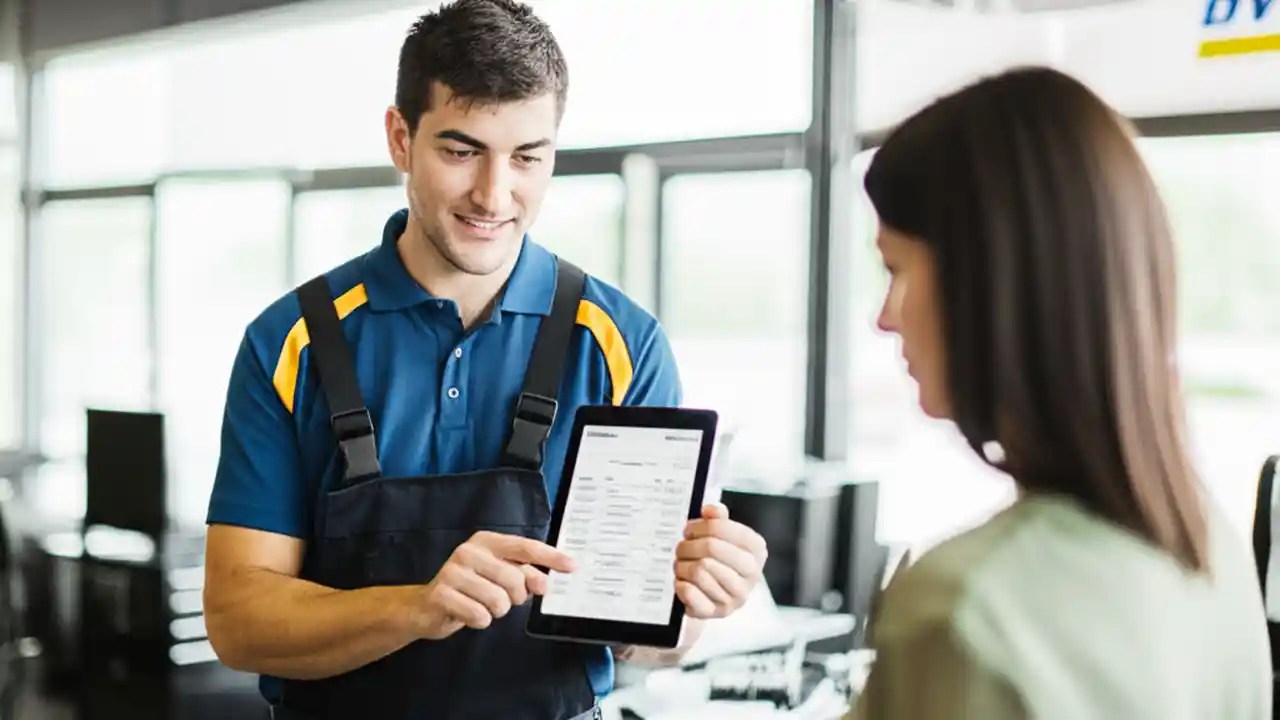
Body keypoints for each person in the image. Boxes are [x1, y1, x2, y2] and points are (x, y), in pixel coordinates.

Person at [200, 2, 768, 718]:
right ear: (400, 138)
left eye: (528, 157)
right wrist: (416, 607)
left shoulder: (621, 344)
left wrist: (697, 604)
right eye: (461, 151)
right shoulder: (293, 343)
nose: (495, 195)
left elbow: (646, 640)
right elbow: (238, 619)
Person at [847, 66, 1271, 719]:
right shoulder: (1211, 546)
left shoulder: (966, 607)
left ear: (991, 280)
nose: (885, 315)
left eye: (897, 268)